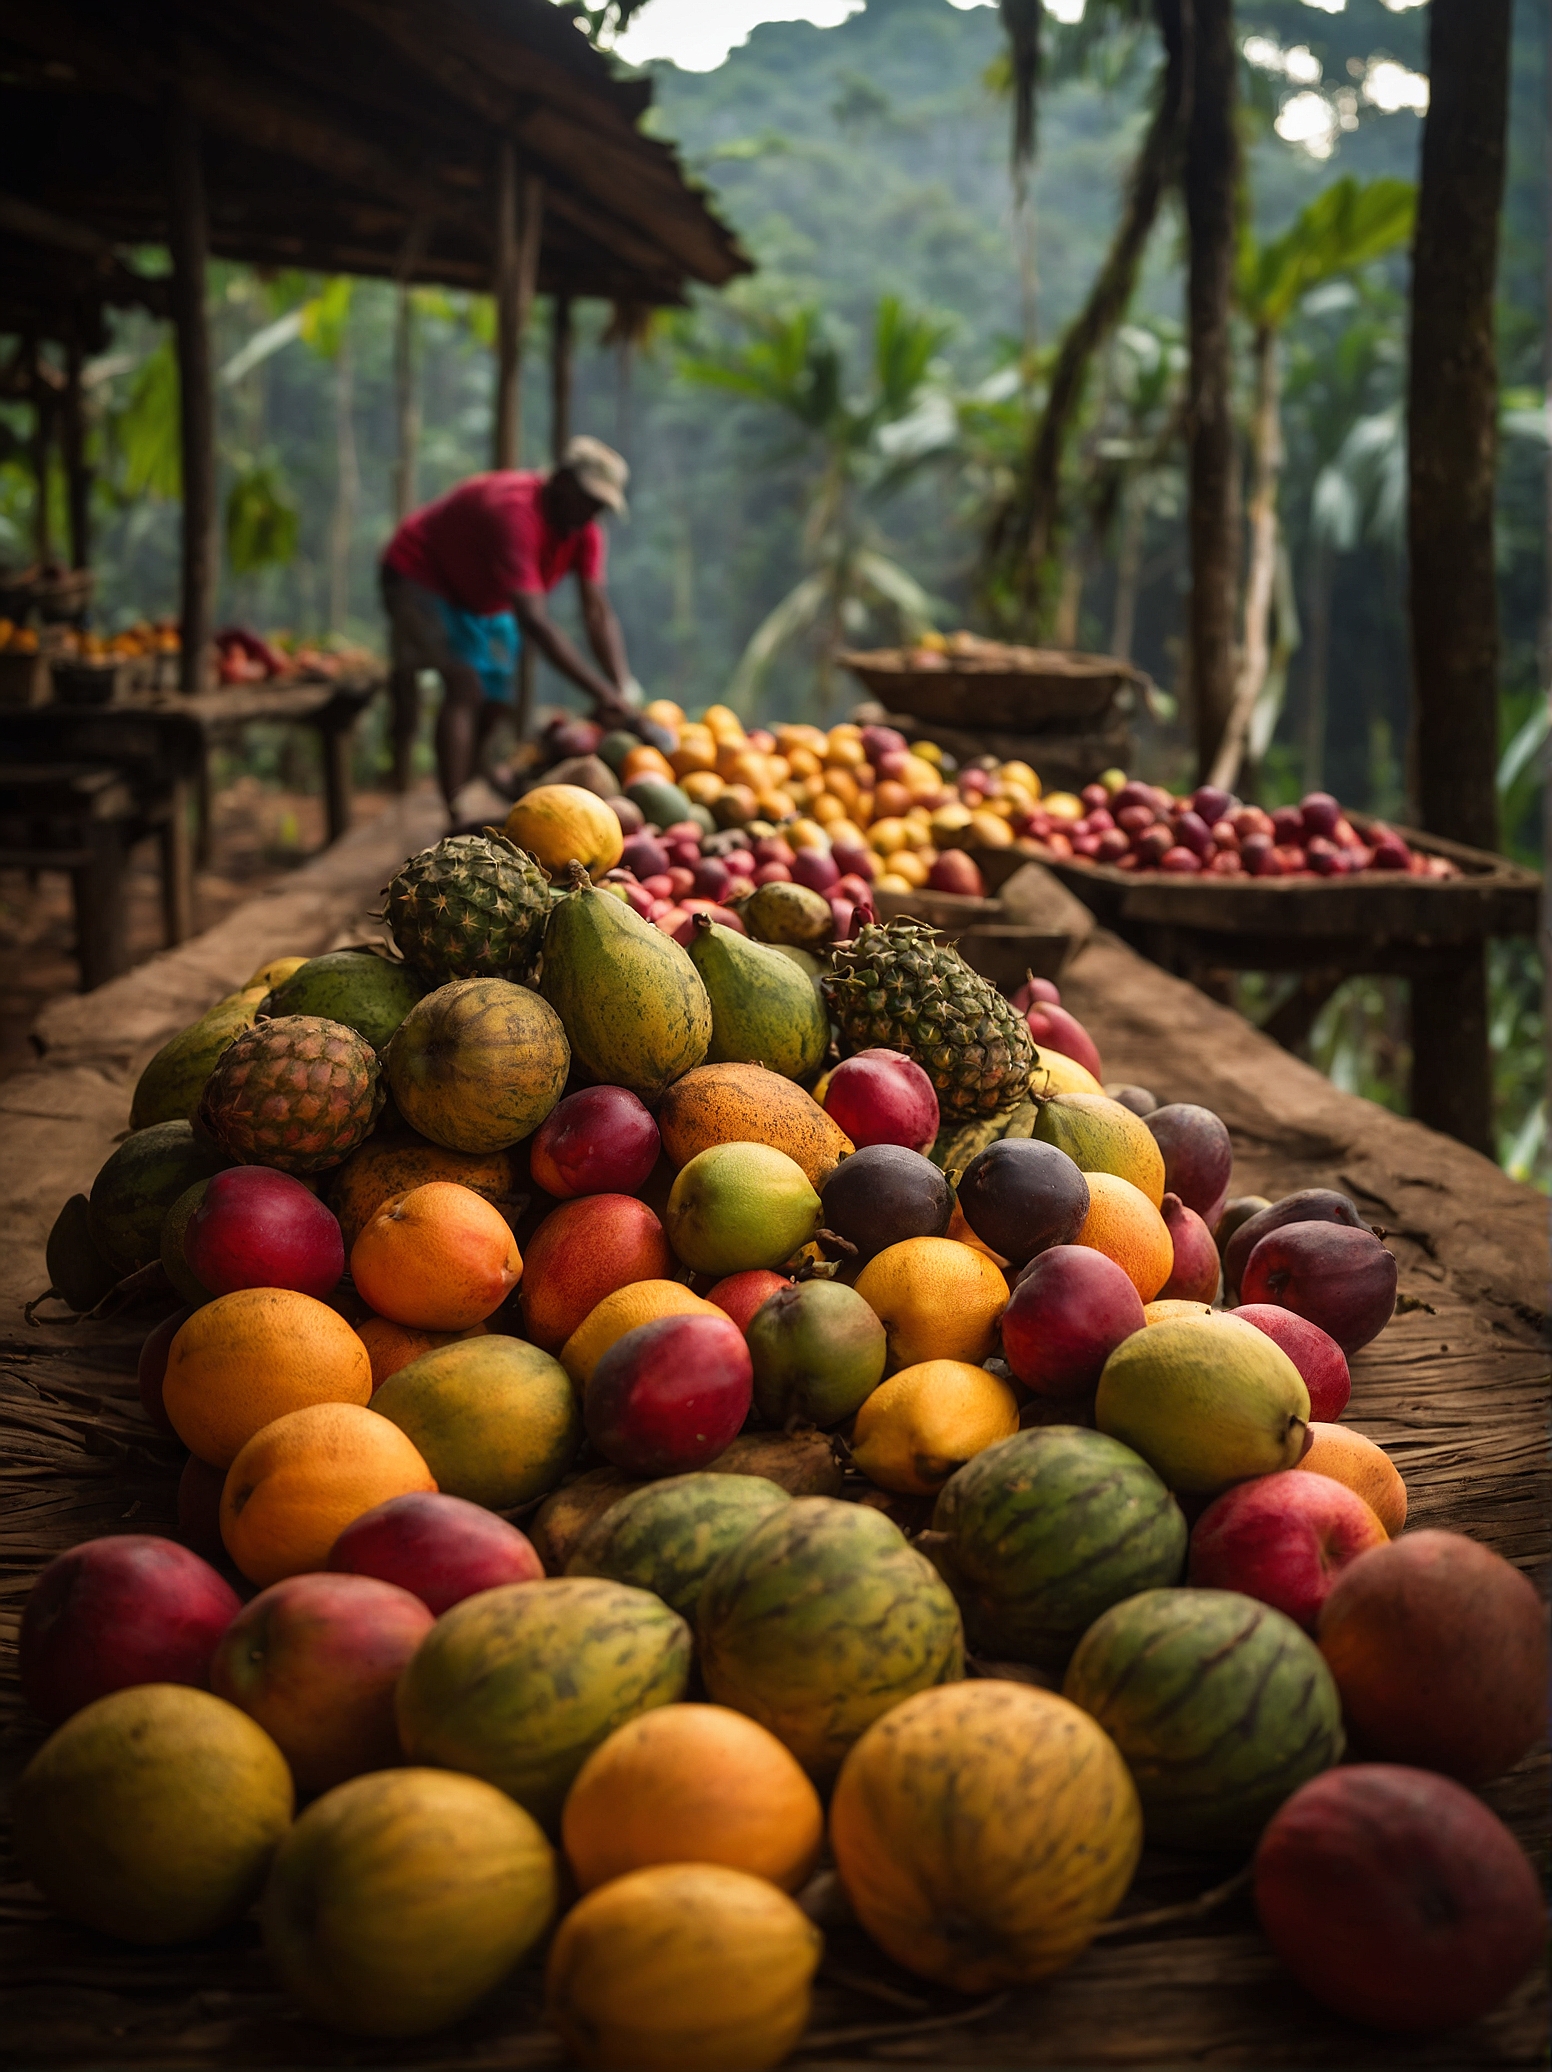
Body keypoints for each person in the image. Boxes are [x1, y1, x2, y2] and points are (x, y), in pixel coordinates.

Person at [380, 436, 636, 810]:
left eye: (600, 506)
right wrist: (602, 693)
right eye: (588, 500)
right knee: (465, 684)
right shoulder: (515, 511)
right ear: (562, 481)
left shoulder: (586, 532)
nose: (591, 513)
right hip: (419, 575)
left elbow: (596, 612)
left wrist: (620, 687)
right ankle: (455, 811)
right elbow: (534, 621)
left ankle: (475, 773)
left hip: (485, 597)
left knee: (497, 695)